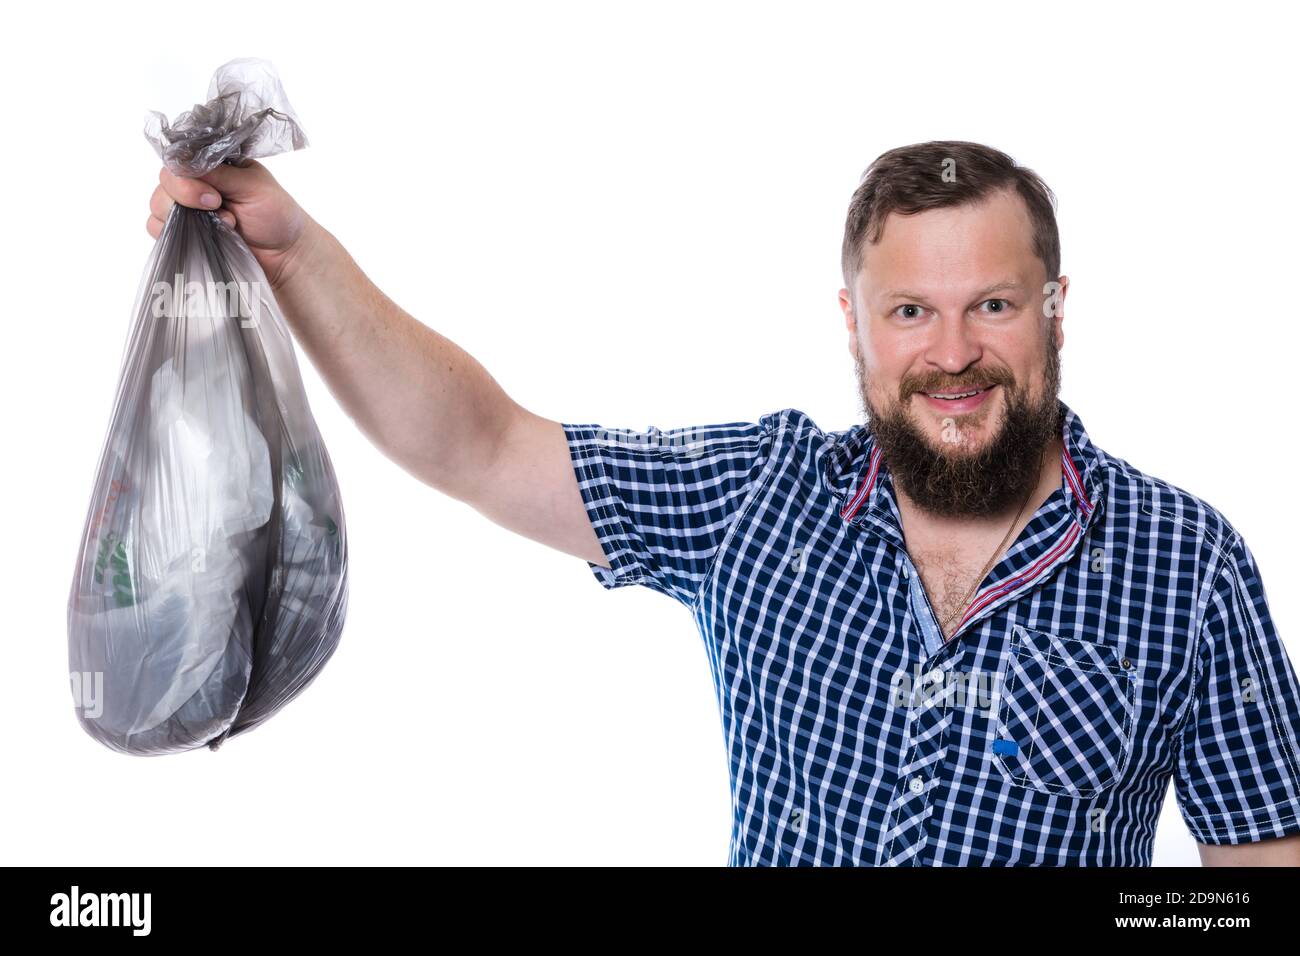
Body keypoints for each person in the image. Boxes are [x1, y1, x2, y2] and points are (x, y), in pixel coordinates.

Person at [147, 140, 1300, 866]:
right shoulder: (760, 494)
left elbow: (1259, 862)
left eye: (992, 305)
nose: (954, 354)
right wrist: (294, 255)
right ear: (853, 323)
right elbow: (485, 444)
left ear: (1054, 307)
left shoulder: (1184, 563)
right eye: (909, 312)